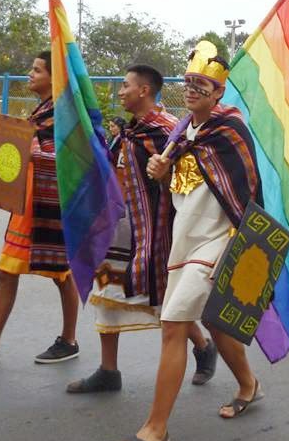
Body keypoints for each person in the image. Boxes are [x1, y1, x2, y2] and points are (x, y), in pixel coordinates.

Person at [111, 42, 262, 441]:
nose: (193, 89)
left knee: (174, 325)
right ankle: (249, 384)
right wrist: (162, 171)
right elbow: (178, 188)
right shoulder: (182, 132)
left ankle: (156, 429)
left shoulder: (229, 129)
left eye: (203, 84)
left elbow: (246, 189)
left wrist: (238, 242)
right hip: (184, 239)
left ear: (218, 92)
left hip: (218, 242)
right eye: (189, 82)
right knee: (216, 326)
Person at [68, 65, 218, 393]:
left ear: (144, 91)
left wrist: (165, 178)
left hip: (155, 229)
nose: (120, 91)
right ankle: (109, 371)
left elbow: (186, 180)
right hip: (119, 226)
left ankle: (204, 348)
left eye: (125, 86)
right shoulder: (127, 130)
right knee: (105, 293)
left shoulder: (168, 131)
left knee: (164, 298)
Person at [0, 52, 82, 365]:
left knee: (59, 273)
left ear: (54, 76)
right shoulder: (42, 111)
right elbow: (28, 148)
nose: (30, 74)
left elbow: (72, 161)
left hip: (50, 203)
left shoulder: (65, 114)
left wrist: (34, 150)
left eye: (37, 69)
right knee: (12, 271)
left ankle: (68, 339)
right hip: (28, 203)